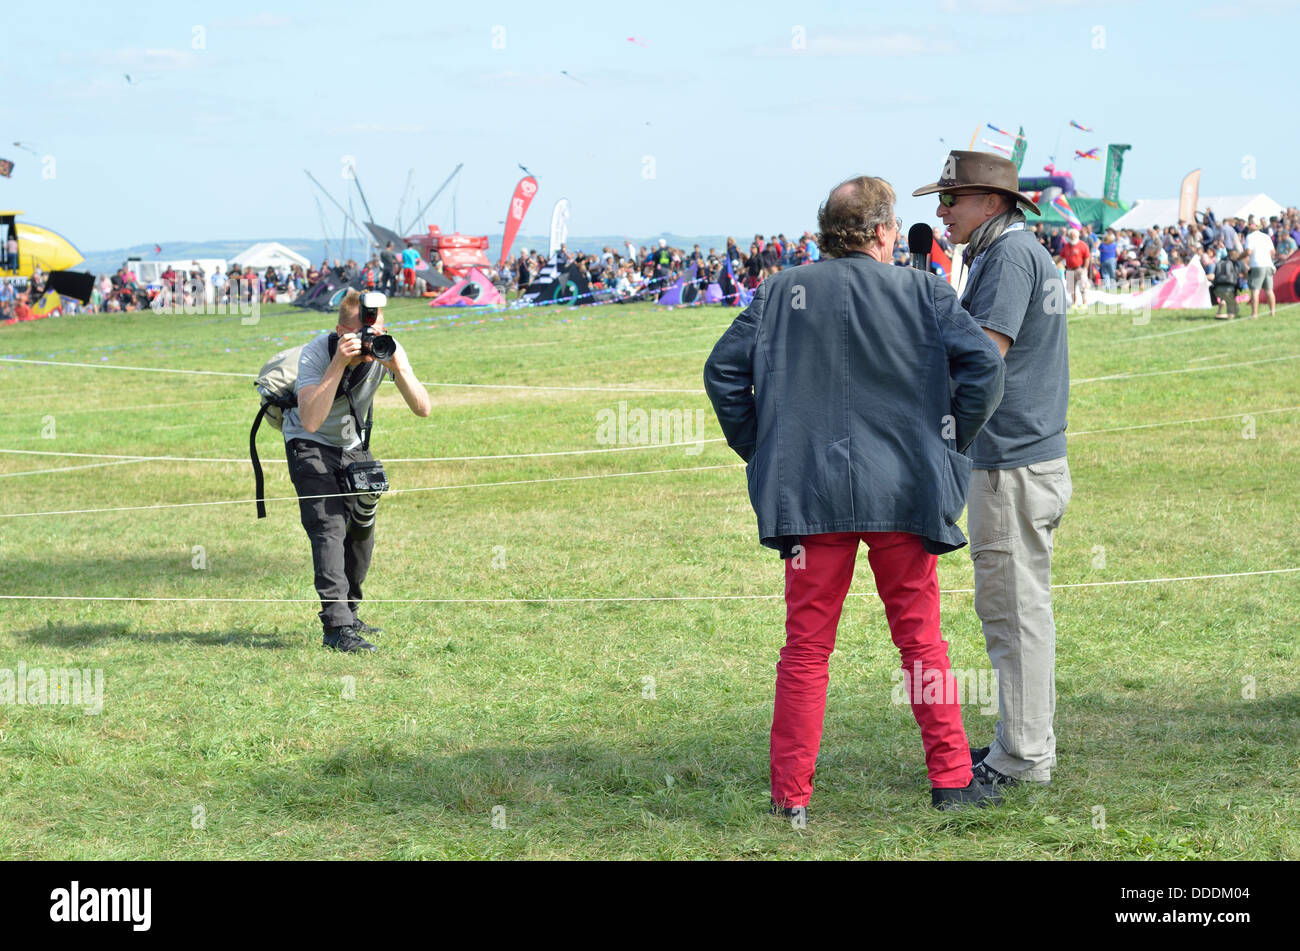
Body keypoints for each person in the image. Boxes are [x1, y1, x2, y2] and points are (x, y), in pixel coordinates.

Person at [704, 175, 1007, 815]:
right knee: (921, 639)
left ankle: (791, 798)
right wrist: (948, 438)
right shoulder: (923, 291)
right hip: (902, 489)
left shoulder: (779, 291)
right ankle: (952, 780)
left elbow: (723, 372)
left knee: (807, 647)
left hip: (811, 495)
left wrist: (763, 448)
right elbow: (984, 368)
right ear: (881, 232)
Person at [914, 150, 1071, 788]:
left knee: (1013, 614)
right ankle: (1023, 741)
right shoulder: (1008, 249)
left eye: (953, 198)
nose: (942, 210)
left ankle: (1024, 758)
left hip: (1011, 462)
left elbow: (983, 359)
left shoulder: (1006, 255)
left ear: (993, 202)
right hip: (1024, 458)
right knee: (1019, 609)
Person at [280, 291, 432, 653]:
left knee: (362, 524)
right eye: (359, 335)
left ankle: (350, 610)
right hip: (309, 443)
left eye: (374, 331)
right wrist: (338, 363)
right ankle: (336, 628)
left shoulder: (386, 348)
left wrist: (398, 368)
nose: (368, 342)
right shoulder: (317, 353)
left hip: (352, 445)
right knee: (328, 524)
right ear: (339, 331)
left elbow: (424, 408)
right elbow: (312, 421)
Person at [1244, 222, 1276, 318]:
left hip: (1257, 265)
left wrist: (1240, 257)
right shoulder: (1266, 236)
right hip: (1268, 265)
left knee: (1255, 290)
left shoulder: (1250, 237)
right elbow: (1273, 252)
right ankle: (1272, 312)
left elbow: (1248, 251)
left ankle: (1254, 314)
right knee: (1269, 290)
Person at [1212, 250, 1243, 320]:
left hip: (1217, 289)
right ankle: (1221, 317)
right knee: (1234, 312)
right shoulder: (1234, 263)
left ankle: (1219, 312)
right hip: (1229, 289)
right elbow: (1236, 277)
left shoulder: (1220, 262)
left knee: (1224, 298)